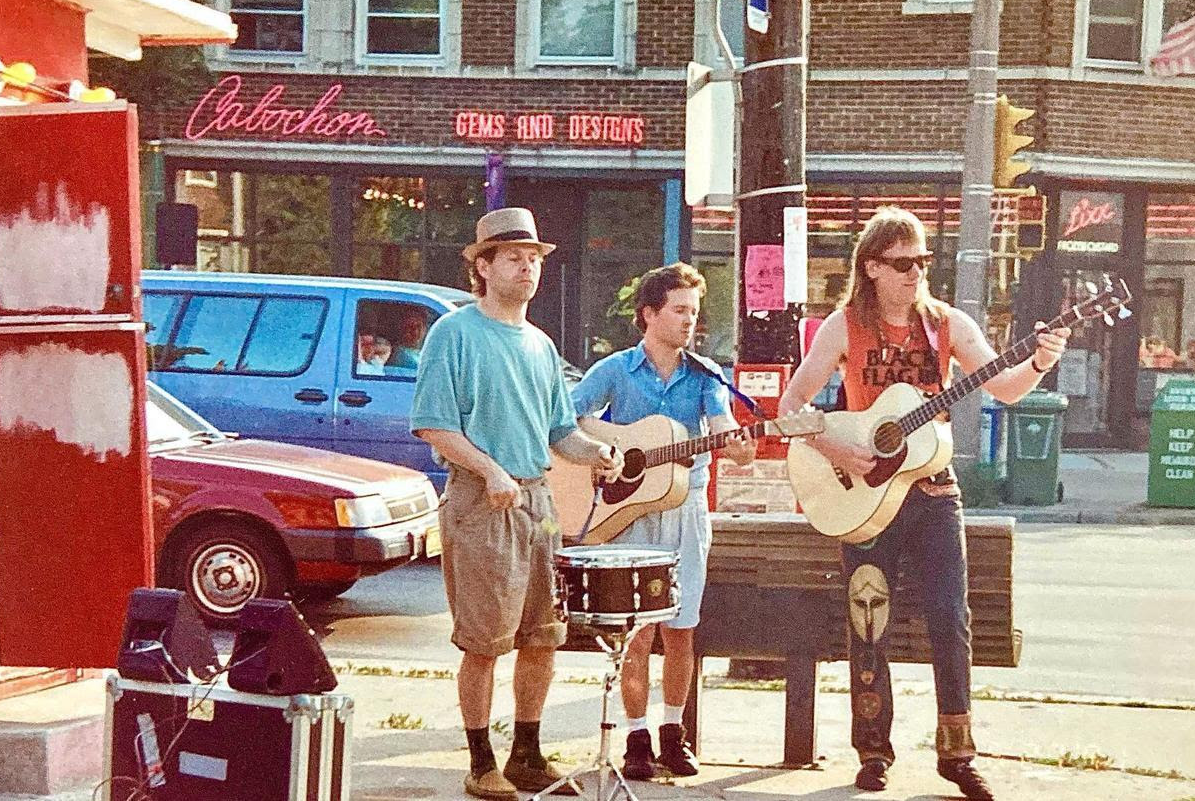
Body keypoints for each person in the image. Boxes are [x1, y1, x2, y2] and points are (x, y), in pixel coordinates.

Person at [776, 206, 1069, 801]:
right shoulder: (843, 327)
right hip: (864, 499)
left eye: (923, 261)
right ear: (872, 268)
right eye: (903, 263)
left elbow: (1004, 389)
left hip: (933, 493)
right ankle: (872, 750)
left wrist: (1041, 359)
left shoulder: (947, 323)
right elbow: (792, 407)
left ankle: (958, 752)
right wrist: (838, 448)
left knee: (950, 620)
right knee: (868, 621)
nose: (917, 273)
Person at [409, 207, 625, 801]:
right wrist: (491, 469)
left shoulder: (540, 343)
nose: (528, 269)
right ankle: (481, 763)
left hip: (537, 501)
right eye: (514, 258)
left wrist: (597, 452)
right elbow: (433, 425)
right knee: (484, 642)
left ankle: (526, 755)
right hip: (482, 501)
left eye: (534, 259)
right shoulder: (452, 333)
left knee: (543, 637)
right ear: (482, 266)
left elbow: (560, 433)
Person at [569, 263, 755, 781]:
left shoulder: (706, 375)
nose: (689, 321)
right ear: (649, 314)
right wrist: (608, 451)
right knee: (638, 630)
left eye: (694, 312)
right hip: (627, 513)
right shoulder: (613, 370)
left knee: (681, 628)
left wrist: (738, 448)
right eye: (679, 310)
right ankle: (635, 738)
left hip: (686, 509)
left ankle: (673, 734)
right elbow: (567, 420)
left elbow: (724, 429)